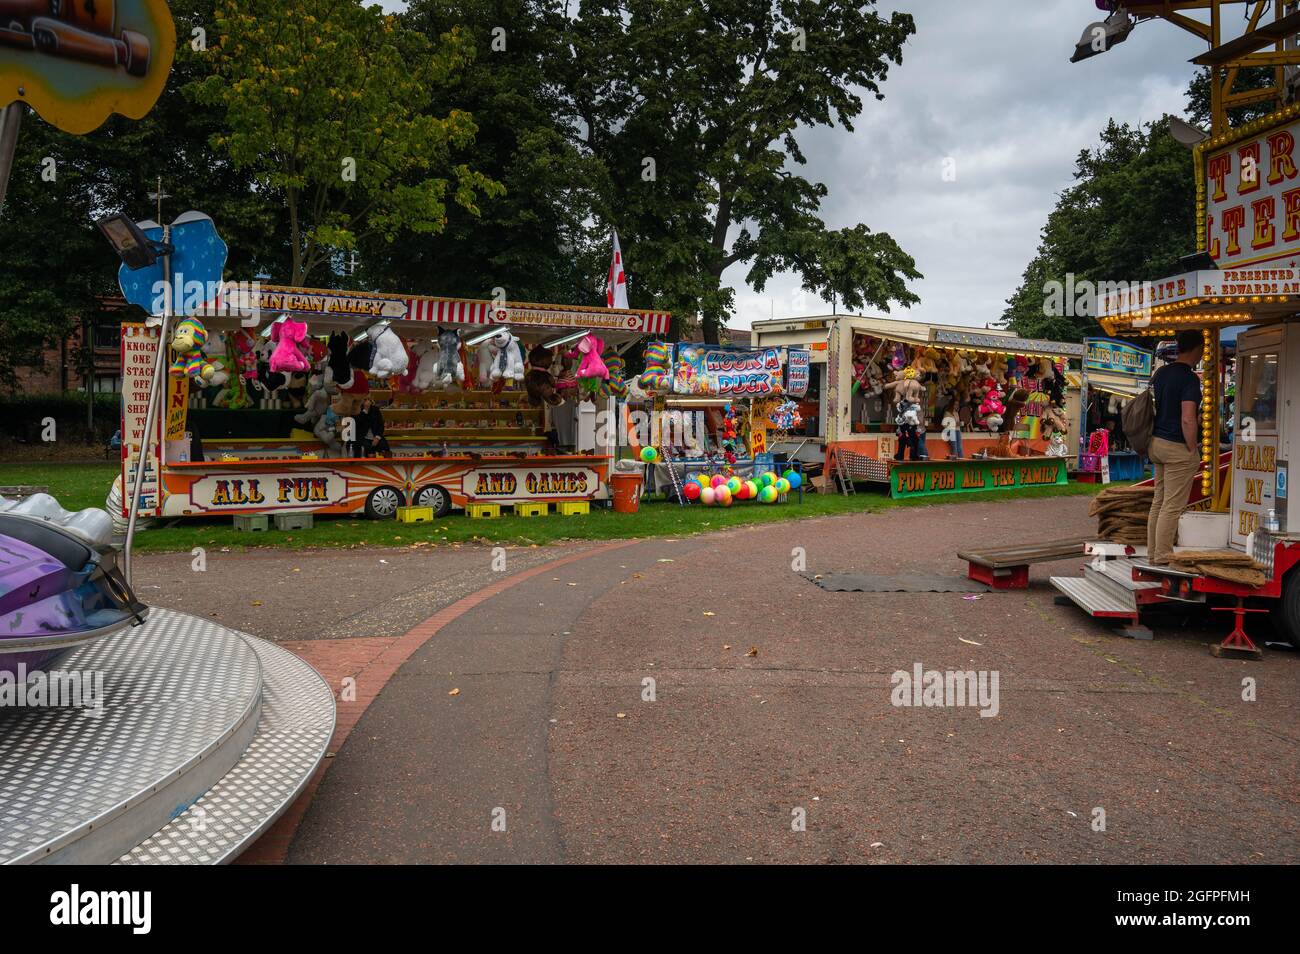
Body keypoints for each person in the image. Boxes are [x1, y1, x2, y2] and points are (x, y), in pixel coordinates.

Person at [1146, 329, 1205, 564]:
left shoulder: (1162, 373)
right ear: (1198, 348)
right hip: (1177, 446)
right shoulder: (1189, 379)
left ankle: (1153, 553)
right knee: (1172, 505)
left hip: (1156, 442)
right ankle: (1162, 555)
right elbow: (1188, 418)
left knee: (1159, 502)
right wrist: (1192, 447)